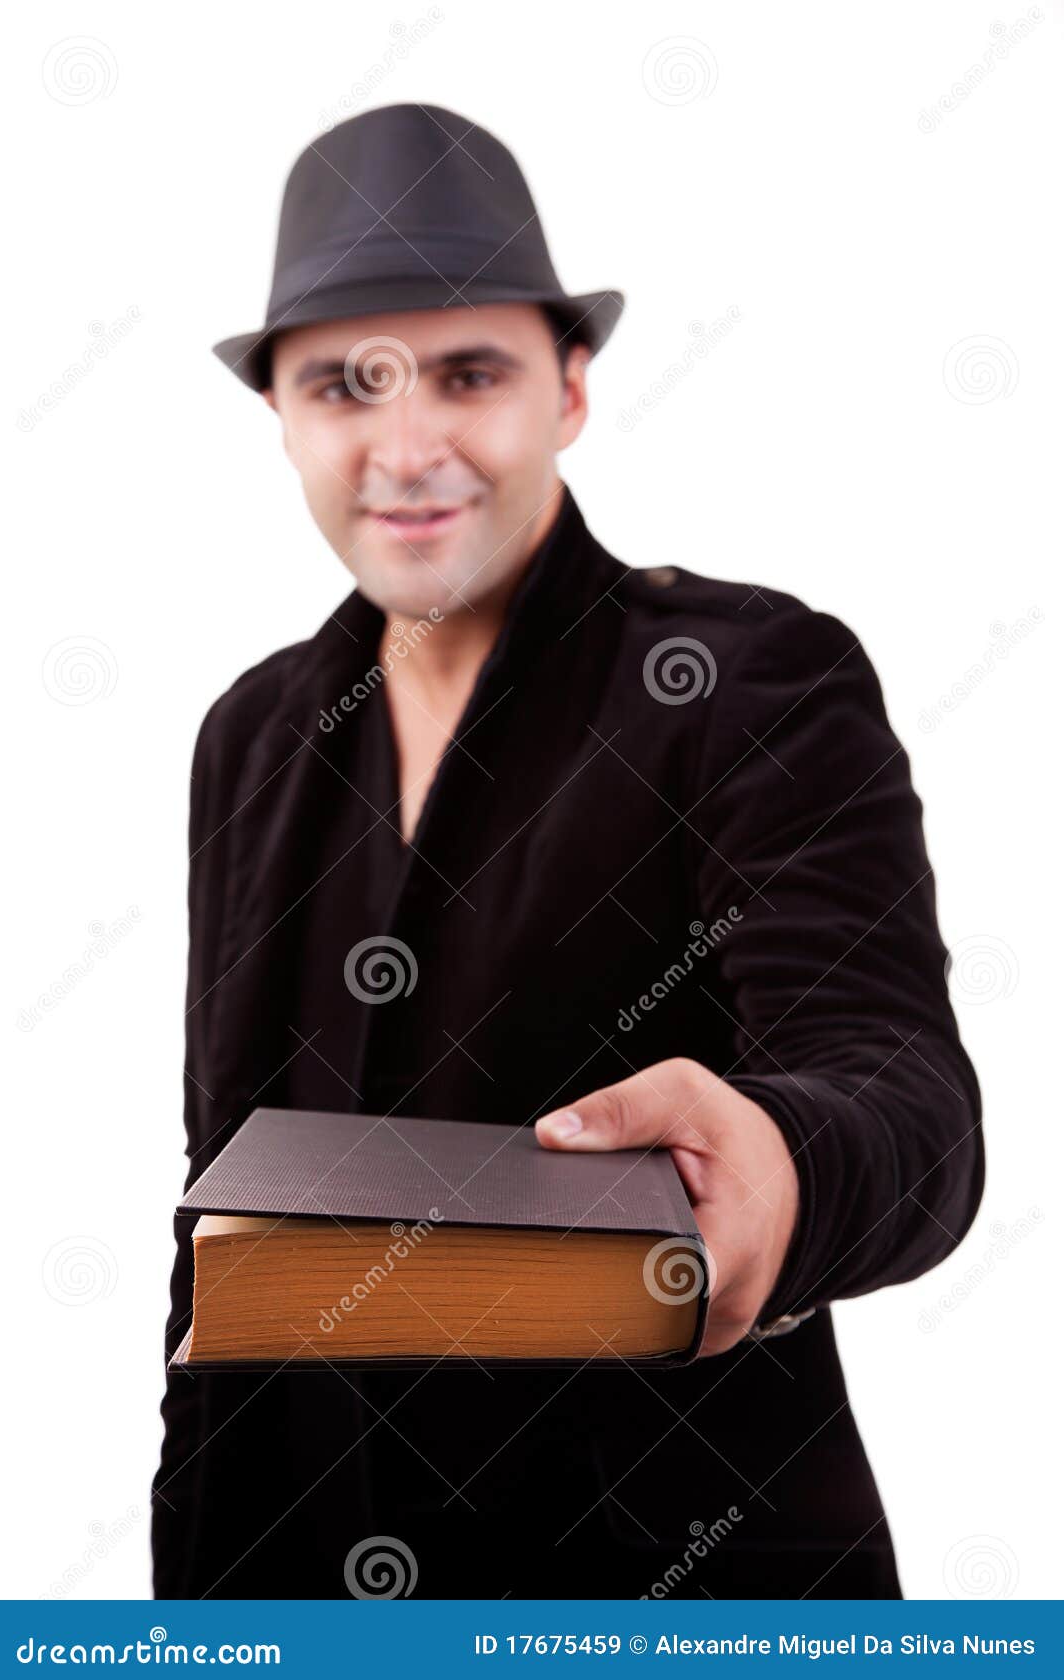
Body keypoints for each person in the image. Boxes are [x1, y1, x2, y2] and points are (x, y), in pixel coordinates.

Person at [152, 103, 983, 1599]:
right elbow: (219, 1214)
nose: (409, 445)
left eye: (469, 374)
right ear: (281, 415)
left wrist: (786, 1164)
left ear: (572, 389)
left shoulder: (749, 681)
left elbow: (903, 1088)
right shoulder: (251, 737)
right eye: (345, 383)